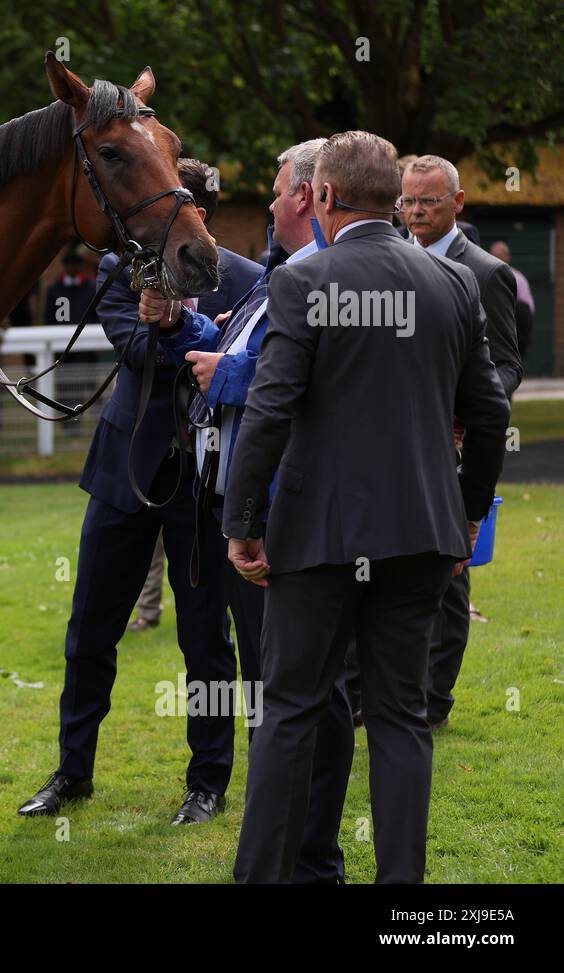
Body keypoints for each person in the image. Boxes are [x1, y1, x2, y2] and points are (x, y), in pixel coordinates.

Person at [224, 131, 510, 883]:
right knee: (401, 718)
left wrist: (242, 524)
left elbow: (270, 410)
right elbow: (488, 411)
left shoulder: (301, 280)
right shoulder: (455, 283)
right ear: (393, 198)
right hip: (421, 532)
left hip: (319, 534)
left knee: (288, 713)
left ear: (322, 196)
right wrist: (469, 511)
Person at [16, 157, 261, 826]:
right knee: (90, 629)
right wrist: (171, 329)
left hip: (206, 486)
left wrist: (183, 328)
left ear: (199, 216)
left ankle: (207, 781)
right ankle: (72, 771)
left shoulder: (250, 281)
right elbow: (135, 351)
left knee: (207, 641)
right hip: (127, 471)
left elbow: (242, 371)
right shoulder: (122, 275)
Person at [149, 138, 361, 882]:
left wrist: (227, 374)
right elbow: (247, 346)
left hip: (282, 516)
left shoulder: (320, 279)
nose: (268, 203)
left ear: (308, 195)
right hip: (242, 507)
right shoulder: (282, 277)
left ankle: (310, 854)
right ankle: (293, 847)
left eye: (275, 190)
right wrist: (184, 329)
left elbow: (299, 380)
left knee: (305, 691)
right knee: (278, 688)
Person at [402, 155, 522, 729]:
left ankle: (434, 702)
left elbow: (505, 366)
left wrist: (462, 405)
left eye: (428, 200)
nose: (416, 211)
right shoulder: (390, 261)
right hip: (392, 445)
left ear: (458, 203)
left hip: (453, 446)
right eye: (408, 200)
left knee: (449, 576)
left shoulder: (485, 273)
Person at [489, 240, 536, 361]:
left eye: (500, 255)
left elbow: (527, 308)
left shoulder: (518, 278)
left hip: (512, 331)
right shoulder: (484, 275)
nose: (497, 258)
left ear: (508, 257)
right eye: (494, 255)